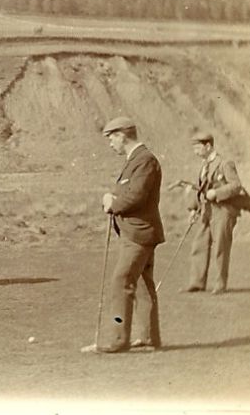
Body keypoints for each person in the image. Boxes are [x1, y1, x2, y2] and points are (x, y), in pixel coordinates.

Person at [82, 117, 165, 354]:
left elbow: (136, 196)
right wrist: (112, 198)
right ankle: (149, 339)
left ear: (121, 135)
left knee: (121, 282)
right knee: (141, 284)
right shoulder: (137, 160)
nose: (110, 144)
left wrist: (112, 203)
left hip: (138, 234)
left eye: (111, 138)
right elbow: (129, 191)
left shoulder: (144, 160)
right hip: (136, 232)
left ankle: (118, 340)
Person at [181, 132, 244, 295]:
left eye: (197, 148)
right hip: (206, 212)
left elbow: (236, 185)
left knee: (221, 248)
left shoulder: (225, 163)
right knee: (199, 245)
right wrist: (193, 208)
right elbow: (201, 189)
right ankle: (197, 283)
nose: (195, 151)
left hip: (223, 212)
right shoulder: (203, 166)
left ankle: (220, 284)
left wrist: (217, 193)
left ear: (208, 146)